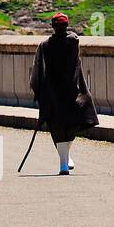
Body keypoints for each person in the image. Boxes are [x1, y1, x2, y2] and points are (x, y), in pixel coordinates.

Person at [30, 12, 99, 175]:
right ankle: (66, 159)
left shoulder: (45, 46)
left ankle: (64, 162)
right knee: (71, 125)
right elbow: (73, 36)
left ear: (52, 27)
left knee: (57, 128)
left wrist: (36, 90)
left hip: (52, 94)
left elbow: (37, 71)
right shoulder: (73, 42)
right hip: (73, 93)